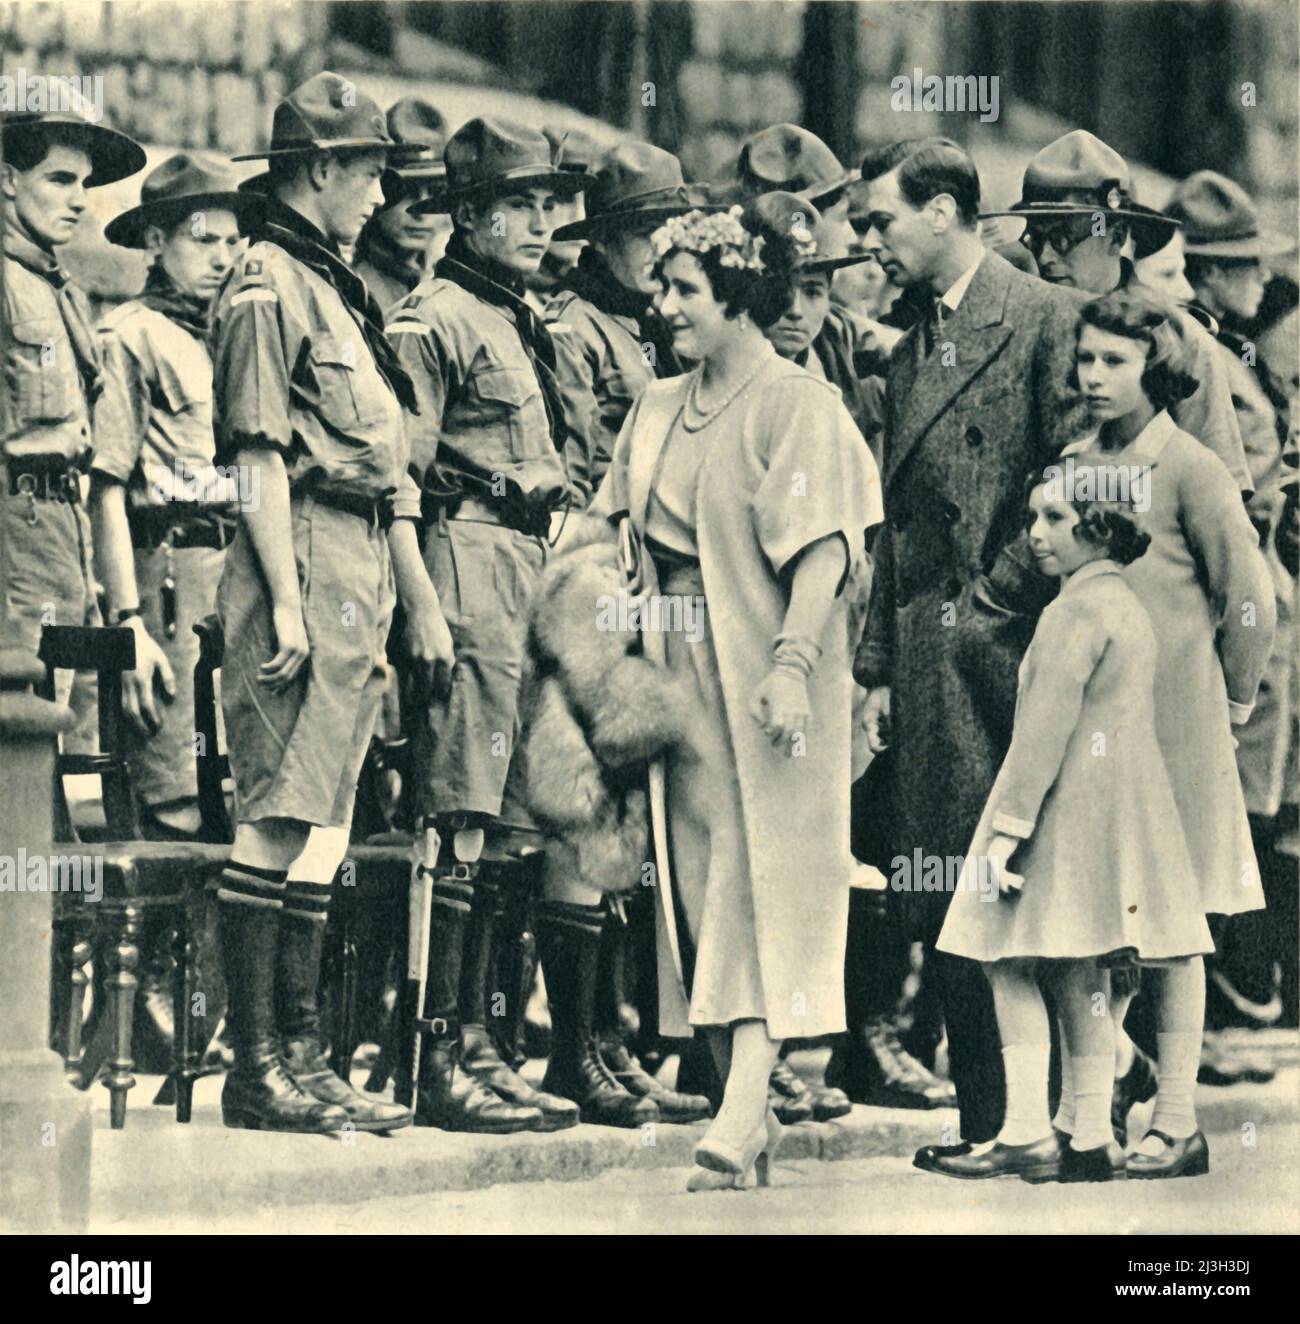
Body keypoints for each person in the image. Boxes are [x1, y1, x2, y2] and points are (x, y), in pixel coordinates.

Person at [587, 199, 883, 1190]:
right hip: (673, 677)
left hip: (766, 675)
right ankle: (741, 1111)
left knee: (762, 882)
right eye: (660, 286)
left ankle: (745, 1104)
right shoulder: (657, 404)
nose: (661, 305)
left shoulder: (797, 404)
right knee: (693, 887)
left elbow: (827, 553)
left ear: (737, 295)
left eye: (682, 290)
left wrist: (795, 667)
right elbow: (607, 528)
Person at [853, 137, 1085, 1177]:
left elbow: (1081, 482)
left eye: (882, 220)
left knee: (1019, 878)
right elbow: (891, 536)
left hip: (1013, 649)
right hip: (925, 657)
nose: (868, 242)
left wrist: (997, 599)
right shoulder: (906, 351)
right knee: (943, 876)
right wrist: (872, 671)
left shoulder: (1040, 318)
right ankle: (991, 1116)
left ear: (945, 211)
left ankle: (1046, 1115)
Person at [207, 71, 421, 1135]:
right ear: (322, 169)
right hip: (297, 552)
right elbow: (254, 452)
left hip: (356, 554)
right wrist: (286, 606)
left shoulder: (328, 282)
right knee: (276, 810)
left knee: (326, 813)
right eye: (371, 170)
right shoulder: (263, 280)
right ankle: (255, 1070)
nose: (380, 193)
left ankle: (304, 1054)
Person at [387, 117, 610, 1133]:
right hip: (469, 551)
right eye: (516, 205)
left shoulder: (514, 314)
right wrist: (423, 602)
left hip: (527, 558)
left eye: (545, 203)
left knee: (514, 818)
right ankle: (437, 1054)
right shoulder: (433, 318)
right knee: (462, 809)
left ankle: (484, 1041)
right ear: (468, 215)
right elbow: (400, 472)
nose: (540, 221)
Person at [936, 472, 1213, 1182]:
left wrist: (1004, 834)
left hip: (1064, 805)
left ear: (1098, 525)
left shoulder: (1071, 615)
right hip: (1126, 807)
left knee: (1005, 956)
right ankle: (1087, 1134)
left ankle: (1028, 1127)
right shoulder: (1126, 605)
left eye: (1054, 517)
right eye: (1033, 515)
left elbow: (1041, 735)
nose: (1035, 532)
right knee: (1082, 968)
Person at [1056, 290, 1274, 1177]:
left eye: (1115, 360)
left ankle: (1177, 1119)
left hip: (1178, 727)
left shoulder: (1191, 467)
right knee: (1092, 921)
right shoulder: (1070, 462)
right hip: (1093, 733)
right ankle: (1089, 1116)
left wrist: (1229, 706)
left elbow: (1248, 598)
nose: (1095, 376)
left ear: (1157, 367)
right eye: (1088, 359)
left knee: (1174, 929)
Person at [541, 139, 712, 1124]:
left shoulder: (655, 334)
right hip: (591, 588)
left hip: (644, 596)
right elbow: (577, 468)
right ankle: (577, 1049)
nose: (660, 252)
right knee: (587, 823)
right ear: (606, 240)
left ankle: (616, 1039)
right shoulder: (574, 332)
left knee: (630, 827)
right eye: (646, 232)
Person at [91, 153, 251, 840]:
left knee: (241, 792)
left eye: (233, 239)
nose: (222, 257)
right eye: (201, 238)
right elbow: (103, 490)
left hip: (239, 576)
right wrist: (127, 622)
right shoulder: (130, 337)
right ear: (156, 241)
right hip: (170, 578)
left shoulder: (241, 334)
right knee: (176, 792)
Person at [982, 130, 1251, 494]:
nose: (1045, 257)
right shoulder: (1012, 326)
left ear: (1117, 235)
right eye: (1037, 237)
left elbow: (1223, 497)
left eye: (1062, 237)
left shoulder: (1181, 340)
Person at [2, 109, 144, 688]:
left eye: (84, 183)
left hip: (65, 540)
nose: (81, 200)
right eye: (61, 180)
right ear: (7, 179)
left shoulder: (61, 292)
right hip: (13, 542)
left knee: (70, 739)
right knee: (19, 740)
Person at [353, 97, 450, 312]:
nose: (422, 211)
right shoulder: (357, 288)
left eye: (436, 193)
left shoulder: (442, 280)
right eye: (406, 192)